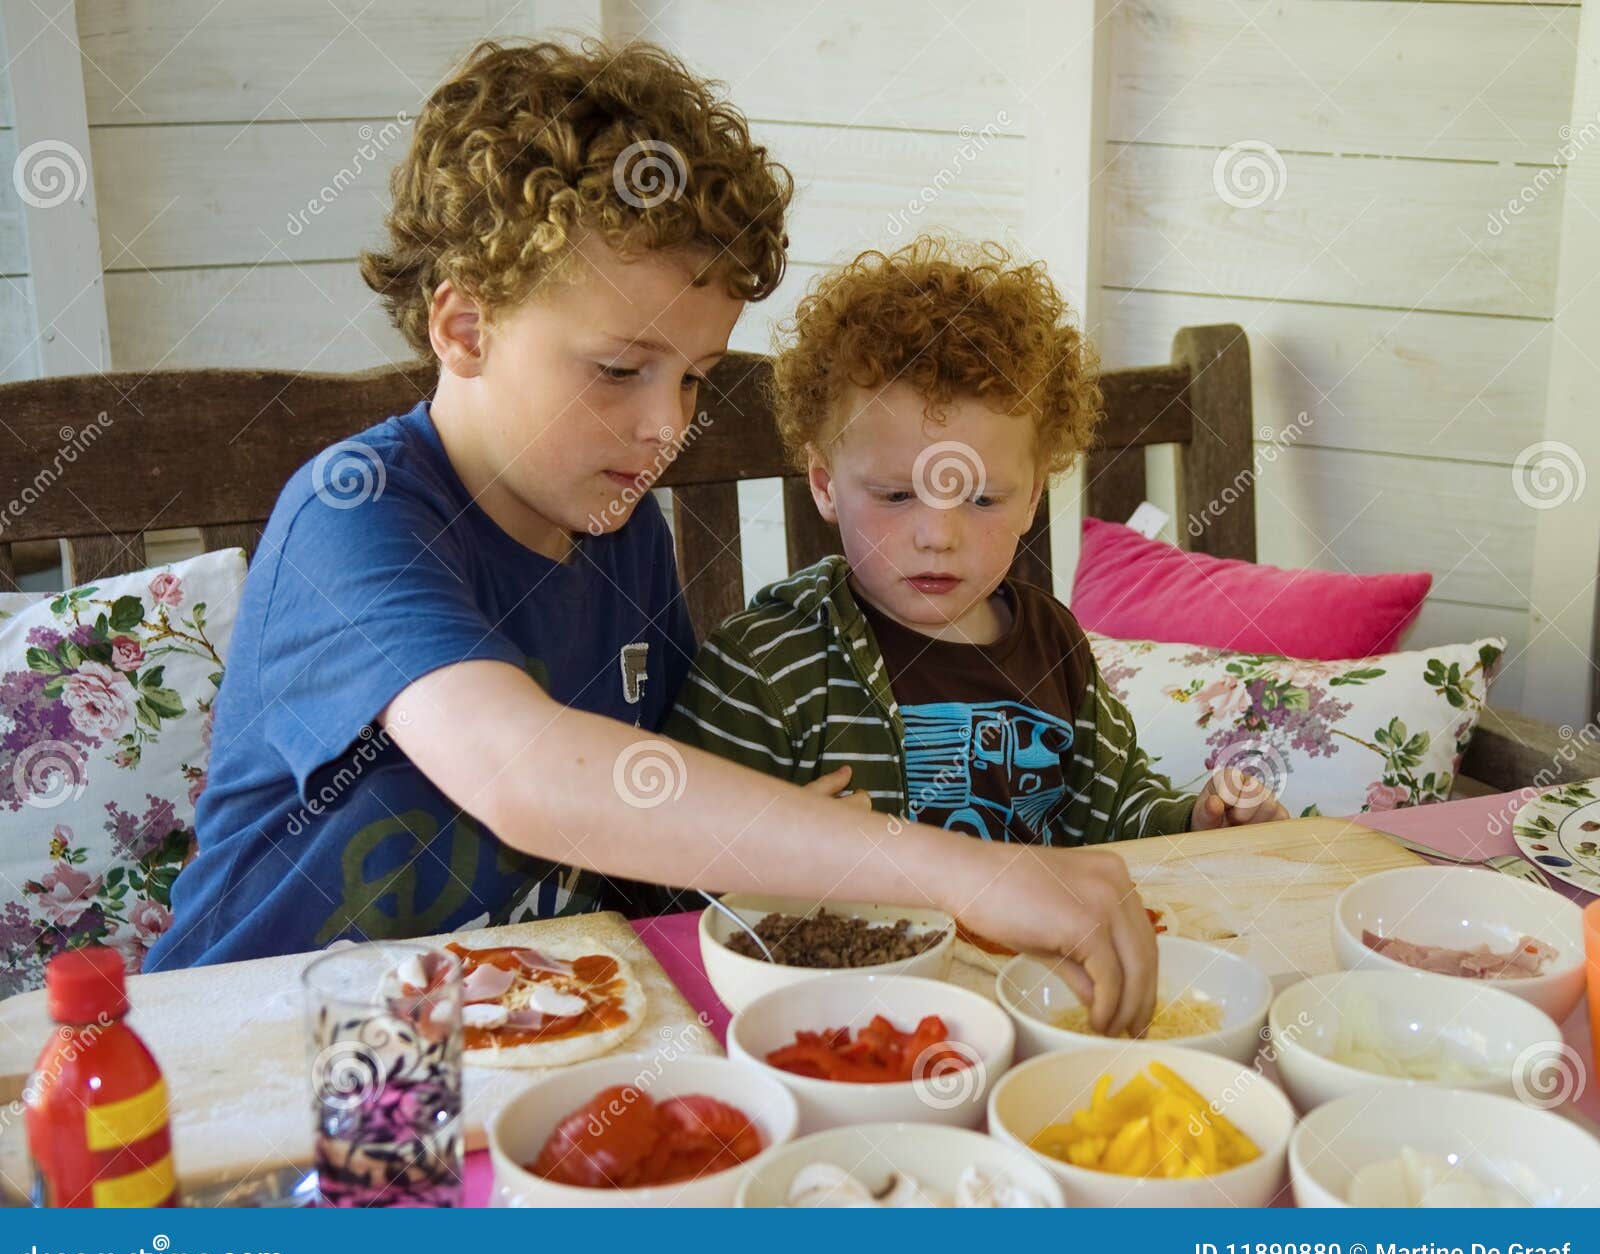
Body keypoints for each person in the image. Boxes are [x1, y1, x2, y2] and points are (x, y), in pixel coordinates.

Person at [148, 40, 1157, 1037]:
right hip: (241, 1051)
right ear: (464, 328)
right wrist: (963, 870)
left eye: (694, 378)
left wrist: (784, 824)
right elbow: (529, 774)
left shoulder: (618, 530)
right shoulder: (355, 516)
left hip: (500, 1039)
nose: (664, 426)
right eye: (620, 370)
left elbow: (658, 783)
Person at [666, 237, 1288, 855]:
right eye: (895, 495)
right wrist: (771, 852)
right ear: (825, 486)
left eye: (983, 499)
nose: (939, 536)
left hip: (1032, 925)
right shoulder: (766, 668)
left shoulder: (1052, 645)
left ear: (1032, 496)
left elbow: (1115, 813)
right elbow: (668, 866)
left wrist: (1197, 824)